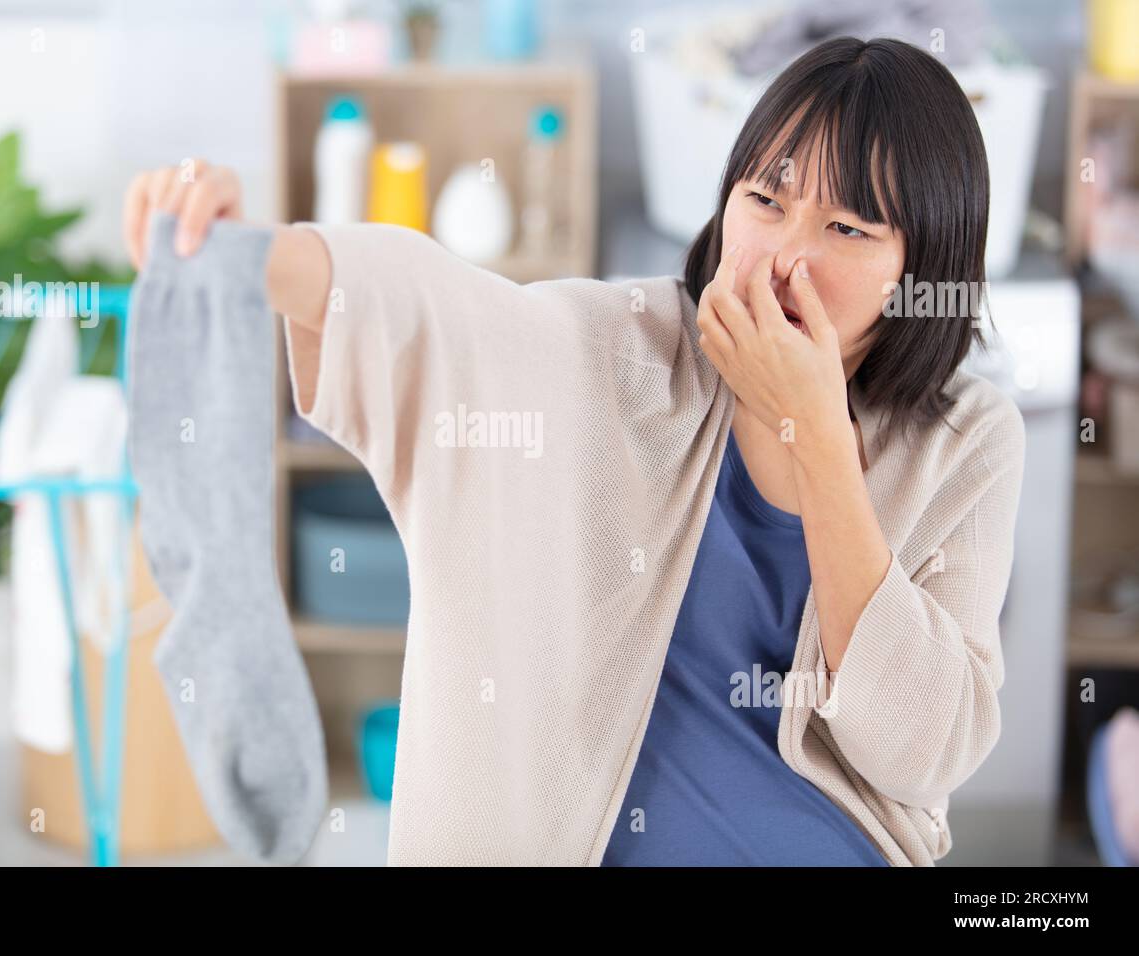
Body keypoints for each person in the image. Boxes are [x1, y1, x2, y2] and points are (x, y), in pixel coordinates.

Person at [121, 36, 1025, 866]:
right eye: (765, 200)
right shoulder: (620, 348)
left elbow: (923, 749)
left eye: (848, 229)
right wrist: (252, 256)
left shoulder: (968, 441)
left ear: (926, 266)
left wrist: (821, 440)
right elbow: (448, 318)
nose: (785, 256)